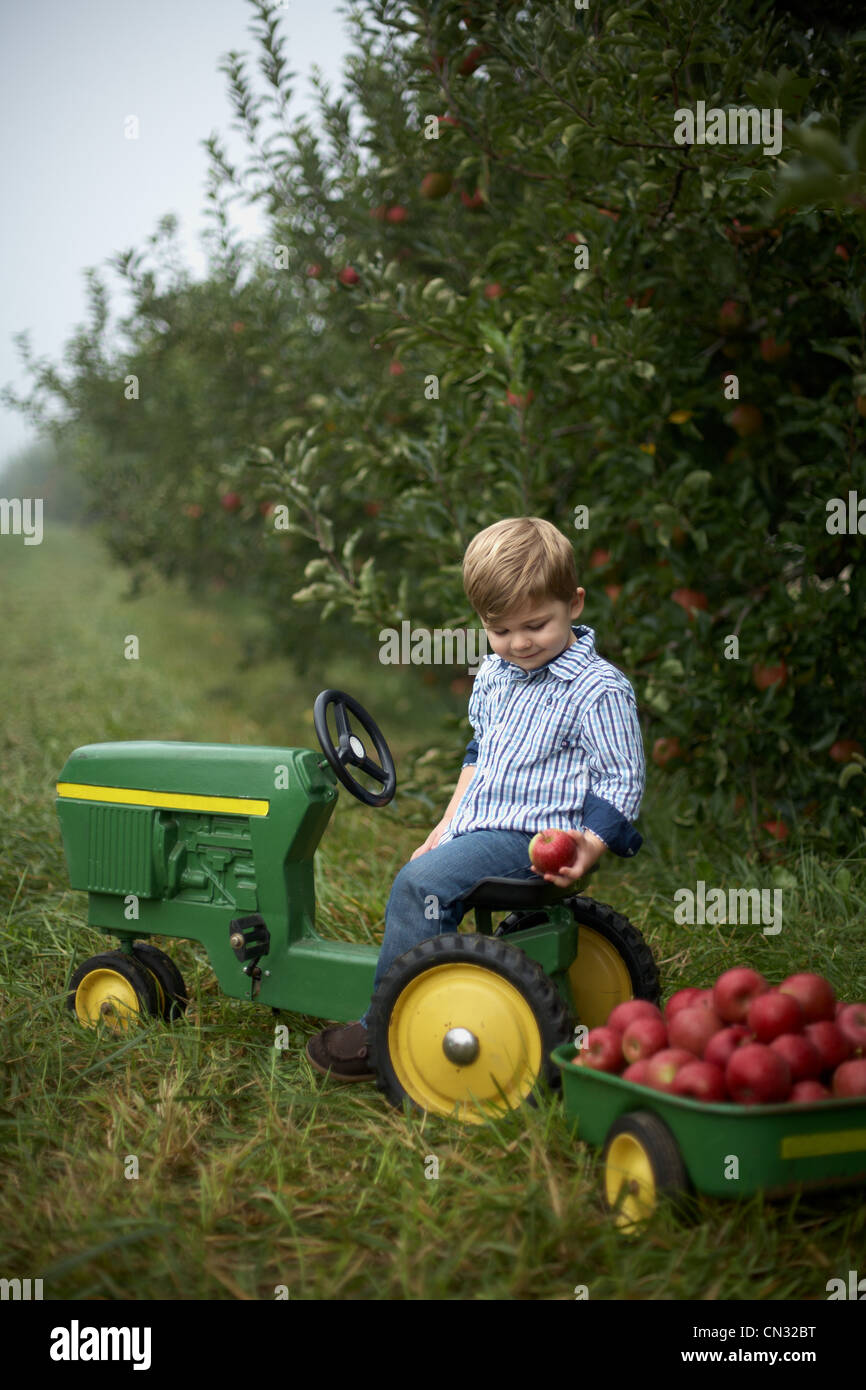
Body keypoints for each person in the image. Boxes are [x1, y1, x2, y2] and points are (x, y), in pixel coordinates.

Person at [305, 516, 645, 1081]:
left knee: (420, 886)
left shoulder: (598, 689)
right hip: (483, 823)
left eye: (536, 625)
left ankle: (382, 1030)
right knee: (427, 865)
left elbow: (619, 778)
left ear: (575, 603)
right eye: (500, 629)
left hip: (535, 834)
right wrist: (446, 824)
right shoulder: (496, 672)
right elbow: (479, 753)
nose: (518, 644)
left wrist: (590, 844)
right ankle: (443, 982)